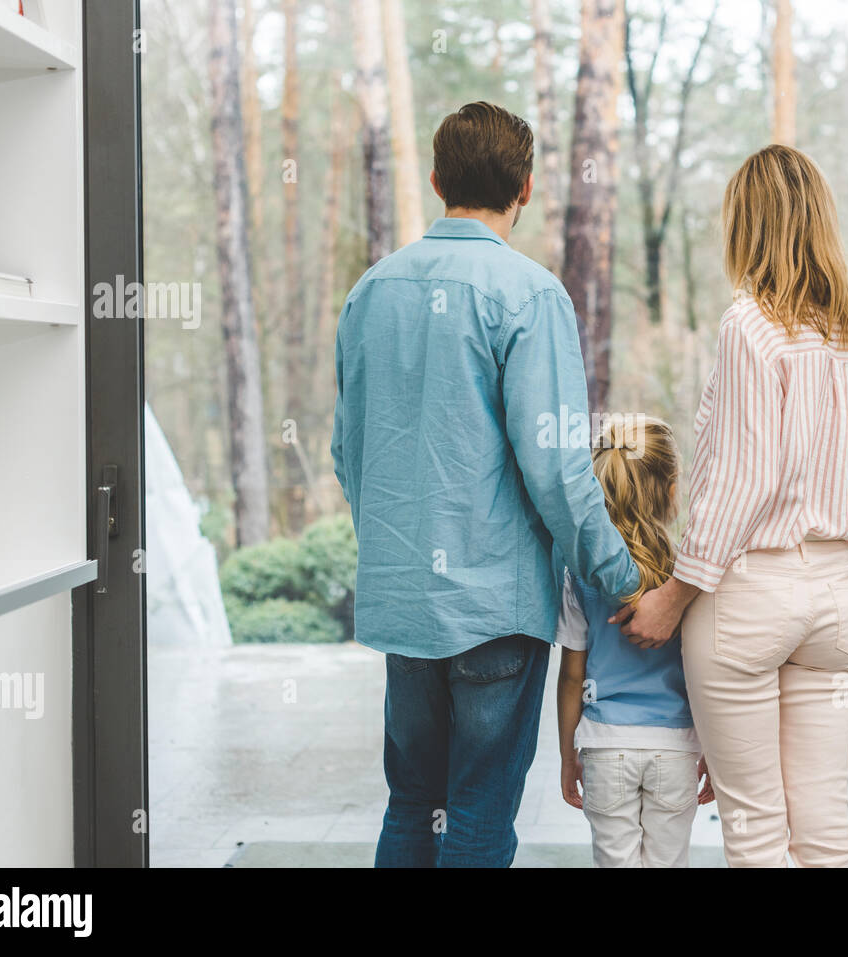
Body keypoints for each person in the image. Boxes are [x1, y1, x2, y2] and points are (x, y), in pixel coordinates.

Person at [331, 102, 641, 868]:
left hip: (404, 600)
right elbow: (559, 468)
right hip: (494, 610)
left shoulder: (372, 291)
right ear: (526, 188)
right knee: (475, 810)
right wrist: (622, 577)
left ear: (437, 180)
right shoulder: (530, 296)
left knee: (411, 802)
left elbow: (348, 451)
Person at [613, 145, 848, 868]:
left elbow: (743, 478)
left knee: (757, 830)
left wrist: (677, 592)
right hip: (834, 599)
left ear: (748, 226)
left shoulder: (749, 327)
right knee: (826, 832)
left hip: (749, 596)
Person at [554, 415, 715, 867]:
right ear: (669, 488)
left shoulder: (582, 574)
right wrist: (714, 747)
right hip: (676, 746)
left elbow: (572, 677)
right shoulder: (687, 577)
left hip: (606, 745)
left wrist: (567, 754)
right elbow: (705, 670)